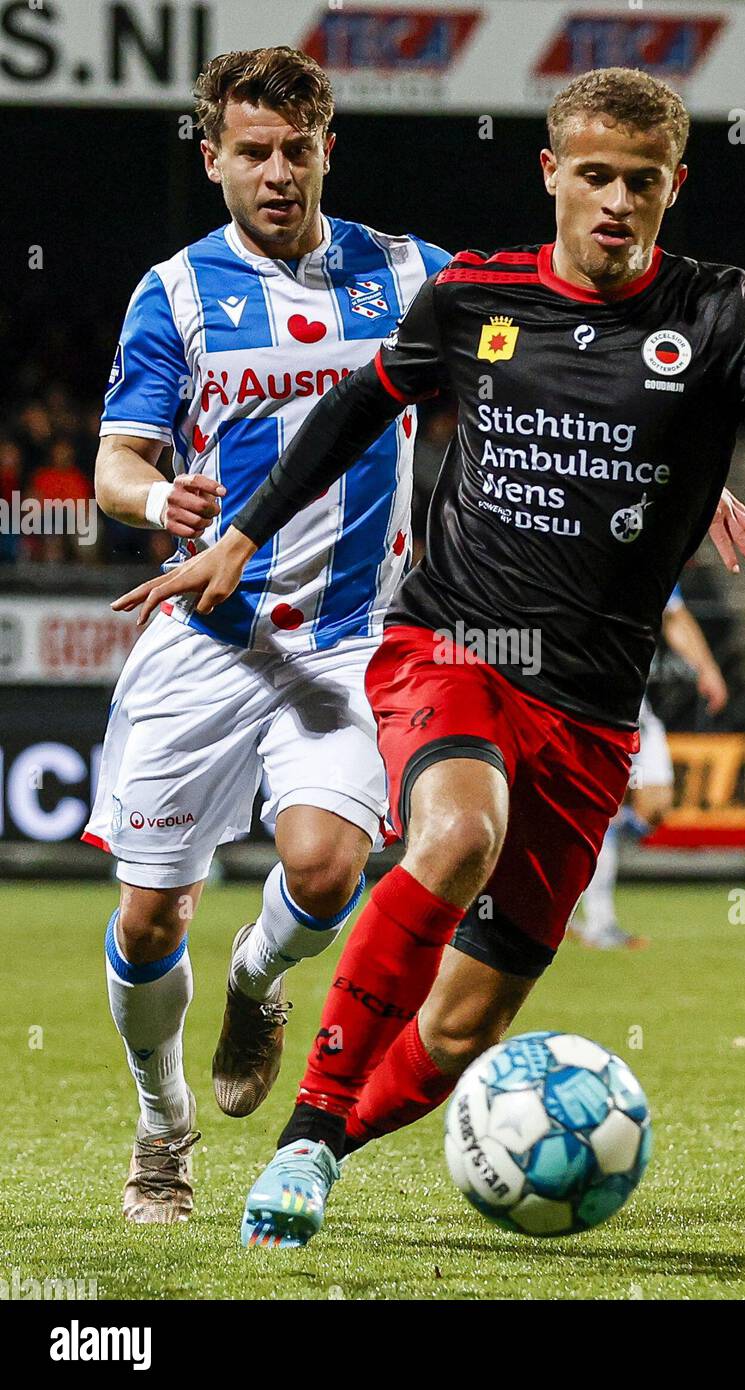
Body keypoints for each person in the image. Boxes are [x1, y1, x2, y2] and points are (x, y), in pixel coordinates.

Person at [114, 66, 745, 1249]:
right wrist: (232, 532)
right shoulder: (475, 294)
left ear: (672, 187)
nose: (615, 201)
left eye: (641, 182)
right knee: (449, 835)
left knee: (456, 1031)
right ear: (552, 173)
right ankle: (284, 1134)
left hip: (593, 705)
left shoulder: (720, 308)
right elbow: (349, 413)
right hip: (449, 645)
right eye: (592, 174)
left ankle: (325, 1144)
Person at [84, 45, 450, 1224]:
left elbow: (546, 345)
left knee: (325, 864)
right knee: (149, 920)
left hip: (345, 639)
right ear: (214, 160)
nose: (278, 170)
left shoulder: (405, 273)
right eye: (253, 151)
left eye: (299, 148)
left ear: (328, 148)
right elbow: (113, 465)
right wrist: (156, 502)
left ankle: (256, 978)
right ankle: (161, 1125)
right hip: (206, 637)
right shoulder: (176, 292)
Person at [572, 583, 730, 949]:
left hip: (638, 708)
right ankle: (600, 921)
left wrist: (706, 668)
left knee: (654, 807)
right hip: (591, 703)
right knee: (605, 811)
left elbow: (674, 615)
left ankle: (572, 879)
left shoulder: (650, 551)